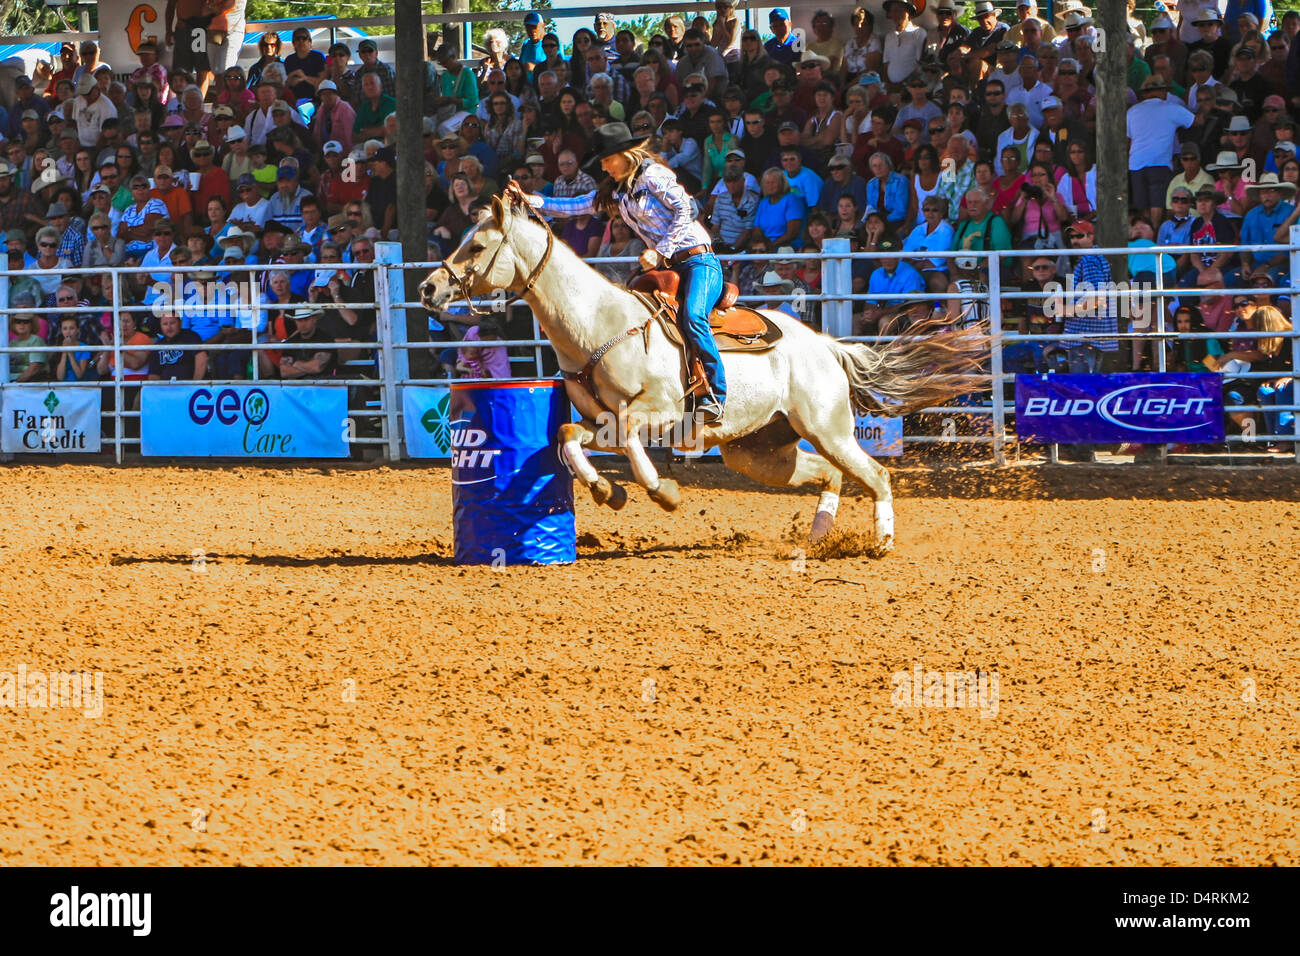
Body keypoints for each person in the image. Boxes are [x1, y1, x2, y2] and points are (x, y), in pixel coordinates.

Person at [519, 122, 727, 423]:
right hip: (666, 265)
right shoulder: (619, 191)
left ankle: (716, 395)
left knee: (694, 317)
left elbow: (686, 209)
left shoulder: (653, 174)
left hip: (698, 260)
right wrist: (533, 201)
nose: (604, 167)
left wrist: (660, 249)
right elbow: (579, 205)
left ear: (624, 154)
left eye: (607, 159)